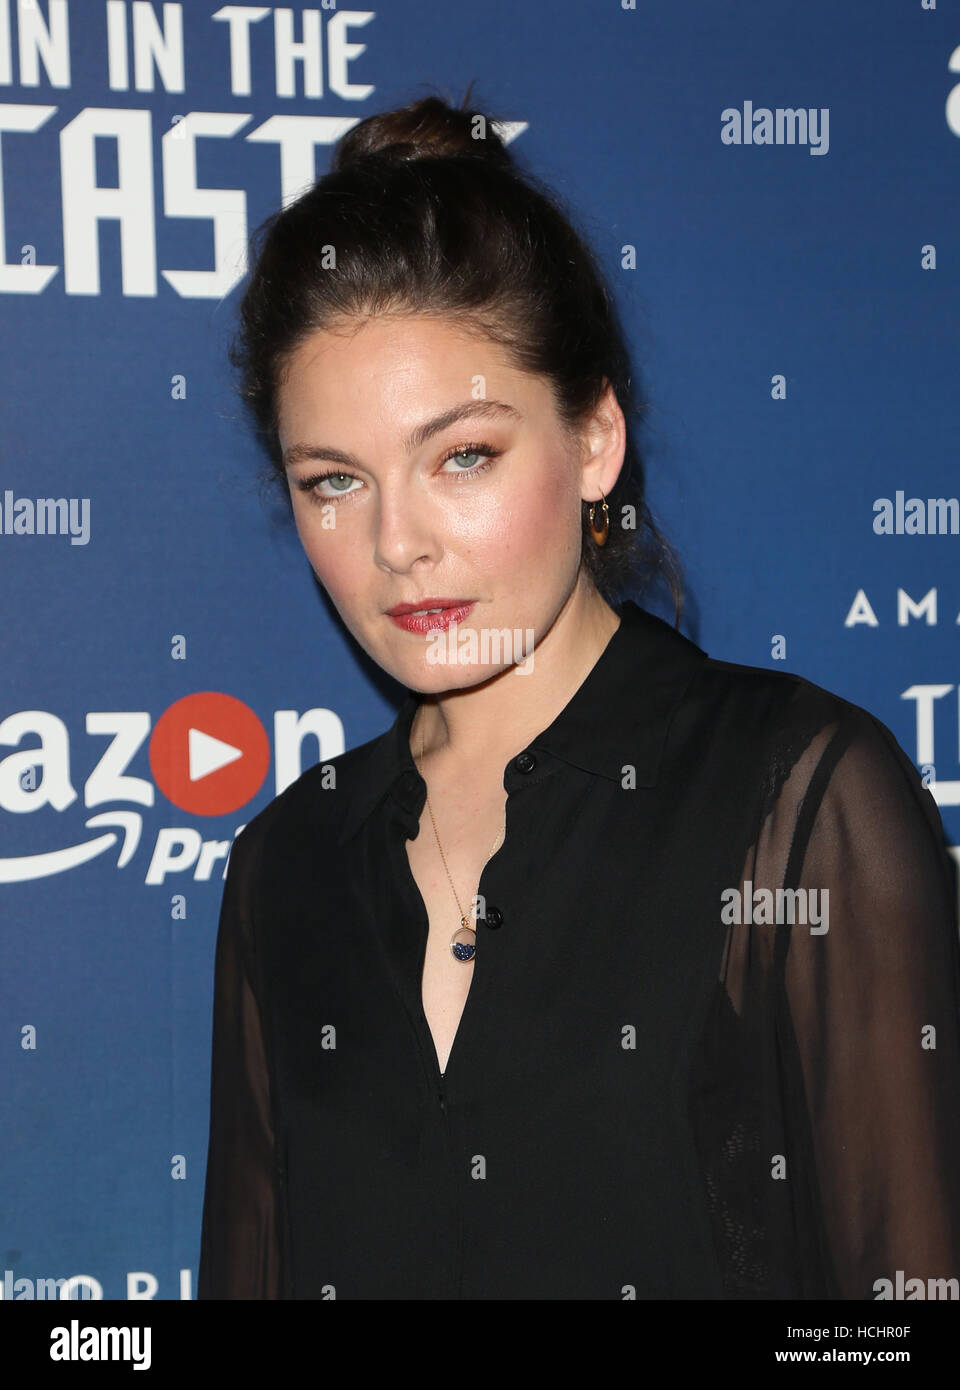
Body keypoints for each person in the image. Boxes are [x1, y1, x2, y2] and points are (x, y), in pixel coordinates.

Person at [197, 90, 960, 1300]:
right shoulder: (287, 866)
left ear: (593, 438)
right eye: (334, 480)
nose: (398, 542)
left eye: (463, 456)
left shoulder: (797, 803)